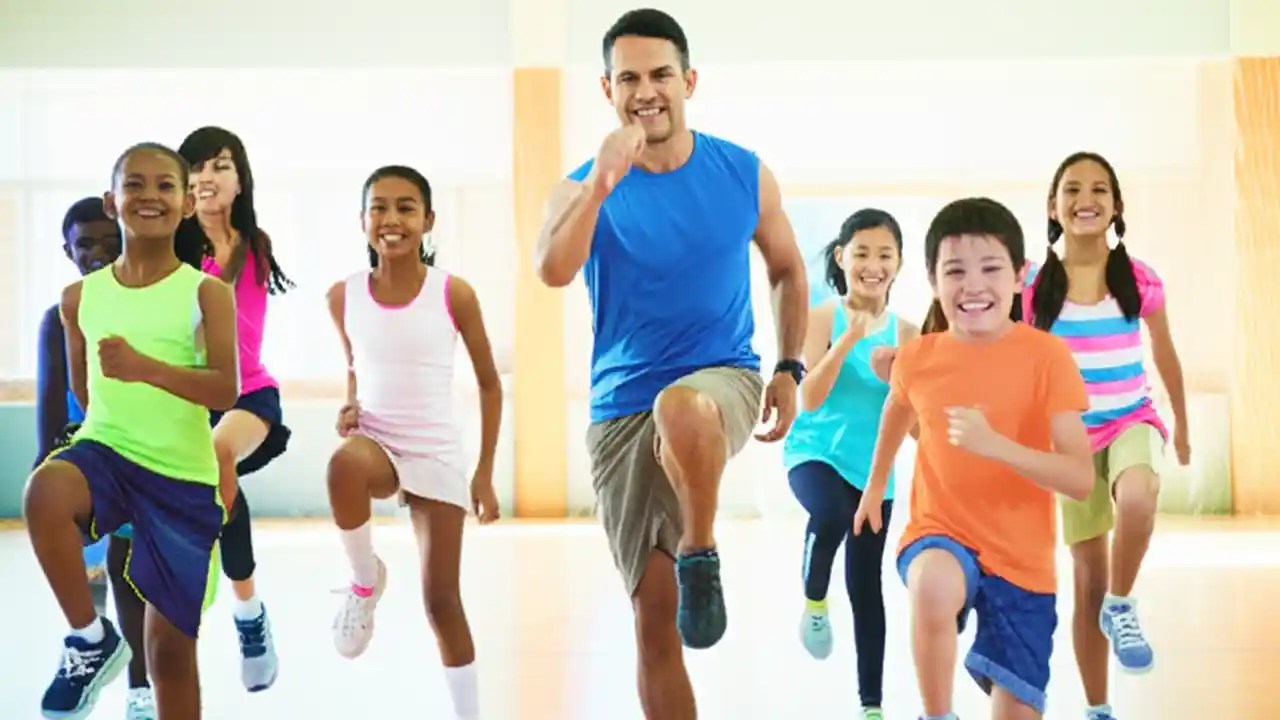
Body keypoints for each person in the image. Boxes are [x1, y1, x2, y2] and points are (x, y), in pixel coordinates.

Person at [534, 8, 808, 718]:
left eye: (661, 74)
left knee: (682, 406)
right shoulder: (580, 186)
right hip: (619, 410)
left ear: (689, 81)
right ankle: (685, 571)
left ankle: (701, 549)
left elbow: (785, 268)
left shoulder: (743, 173)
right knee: (654, 625)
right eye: (629, 78)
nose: (645, 91)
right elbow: (552, 270)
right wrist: (601, 184)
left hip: (722, 380)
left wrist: (791, 366)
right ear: (607, 89)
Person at [853, 197, 1094, 720]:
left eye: (990, 268)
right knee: (933, 583)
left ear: (1019, 276)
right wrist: (875, 485)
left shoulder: (1047, 358)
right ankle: (936, 715)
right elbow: (897, 408)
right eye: (954, 271)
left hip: (1024, 564)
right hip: (940, 529)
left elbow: (1079, 478)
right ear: (933, 281)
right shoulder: (918, 356)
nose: (973, 286)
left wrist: (997, 447)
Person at [24, 142, 237, 720]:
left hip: (180, 477)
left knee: (170, 657)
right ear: (110, 199)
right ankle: (91, 640)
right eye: (135, 184)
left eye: (165, 186)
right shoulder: (78, 300)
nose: (149, 196)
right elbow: (88, 396)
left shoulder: (205, 293)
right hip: (110, 454)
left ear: (188, 202)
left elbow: (225, 390)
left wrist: (148, 370)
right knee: (44, 491)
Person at [325, 165, 502, 720]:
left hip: (435, 453)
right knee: (342, 466)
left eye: (406, 208)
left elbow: (490, 384)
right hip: (377, 440)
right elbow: (356, 364)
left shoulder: (454, 294)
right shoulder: (342, 296)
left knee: (441, 600)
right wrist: (350, 405)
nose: (392, 219)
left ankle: (468, 713)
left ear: (427, 220)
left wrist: (483, 474)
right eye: (379, 207)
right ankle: (363, 580)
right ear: (362, 220)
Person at [1022, 151, 1190, 720]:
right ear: (1053, 206)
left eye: (1099, 189)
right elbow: (1013, 361)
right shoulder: (1033, 285)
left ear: (1117, 205)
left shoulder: (1139, 279)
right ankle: (1098, 707)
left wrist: (1183, 428)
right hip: (1069, 440)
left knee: (1139, 497)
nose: (1085, 198)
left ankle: (1124, 604)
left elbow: (1164, 355)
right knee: (1086, 579)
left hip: (1130, 419)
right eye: (1071, 189)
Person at [782, 209, 916, 720]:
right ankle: (815, 601)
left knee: (866, 587)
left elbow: (917, 421)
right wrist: (849, 339)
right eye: (862, 253)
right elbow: (809, 399)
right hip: (812, 455)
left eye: (885, 254)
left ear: (899, 264)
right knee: (831, 514)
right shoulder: (820, 317)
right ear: (842, 258)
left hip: (873, 474)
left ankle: (872, 707)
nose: (873, 264)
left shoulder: (909, 333)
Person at [177, 125, 292, 692]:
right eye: (195, 167)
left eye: (219, 165)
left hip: (250, 394)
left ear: (240, 179)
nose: (206, 177)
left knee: (219, 451)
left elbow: (234, 322)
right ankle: (228, 608)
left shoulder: (256, 245)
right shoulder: (175, 247)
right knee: (211, 472)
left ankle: (246, 615)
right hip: (190, 398)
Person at [34, 196, 155, 718]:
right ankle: (89, 646)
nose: (100, 254)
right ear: (69, 252)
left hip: (141, 455)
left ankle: (140, 689)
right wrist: (53, 462)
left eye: (112, 242)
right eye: (86, 245)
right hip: (83, 454)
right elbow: (50, 414)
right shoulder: (58, 318)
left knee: (129, 572)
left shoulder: (153, 308)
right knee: (89, 575)